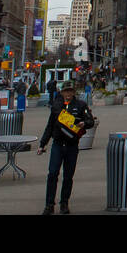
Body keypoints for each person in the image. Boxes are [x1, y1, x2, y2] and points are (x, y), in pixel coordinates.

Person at [37, 80, 95, 215]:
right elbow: (50, 126)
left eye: (70, 91)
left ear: (73, 92)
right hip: (58, 144)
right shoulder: (57, 106)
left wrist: (83, 124)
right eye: (65, 91)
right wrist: (42, 144)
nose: (68, 93)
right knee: (52, 174)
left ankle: (64, 203)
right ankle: (49, 204)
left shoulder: (81, 105)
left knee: (68, 176)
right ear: (62, 92)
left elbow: (90, 121)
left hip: (71, 145)